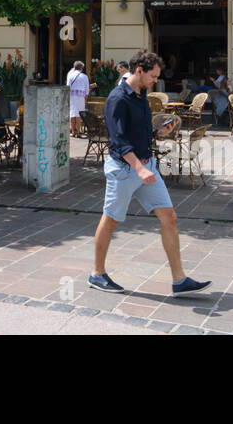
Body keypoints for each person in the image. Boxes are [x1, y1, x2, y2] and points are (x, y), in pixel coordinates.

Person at [90, 50, 211, 298]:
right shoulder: (117, 99)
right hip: (125, 170)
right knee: (111, 219)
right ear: (139, 71)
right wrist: (139, 168)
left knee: (170, 217)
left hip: (147, 166)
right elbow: (119, 141)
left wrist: (158, 133)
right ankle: (97, 274)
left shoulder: (141, 93)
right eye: (153, 76)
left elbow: (140, 131)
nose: (155, 80)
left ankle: (179, 280)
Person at [65, 60, 89, 137]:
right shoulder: (85, 76)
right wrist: (86, 100)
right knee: (79, 115)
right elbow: (87, 90)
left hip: (72, 97)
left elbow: (68, 87)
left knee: (72, 114)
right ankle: (78, 132)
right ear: (82, 68)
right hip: (81, 98)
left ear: (74, 67)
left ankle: (73, 132)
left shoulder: (70, 76)